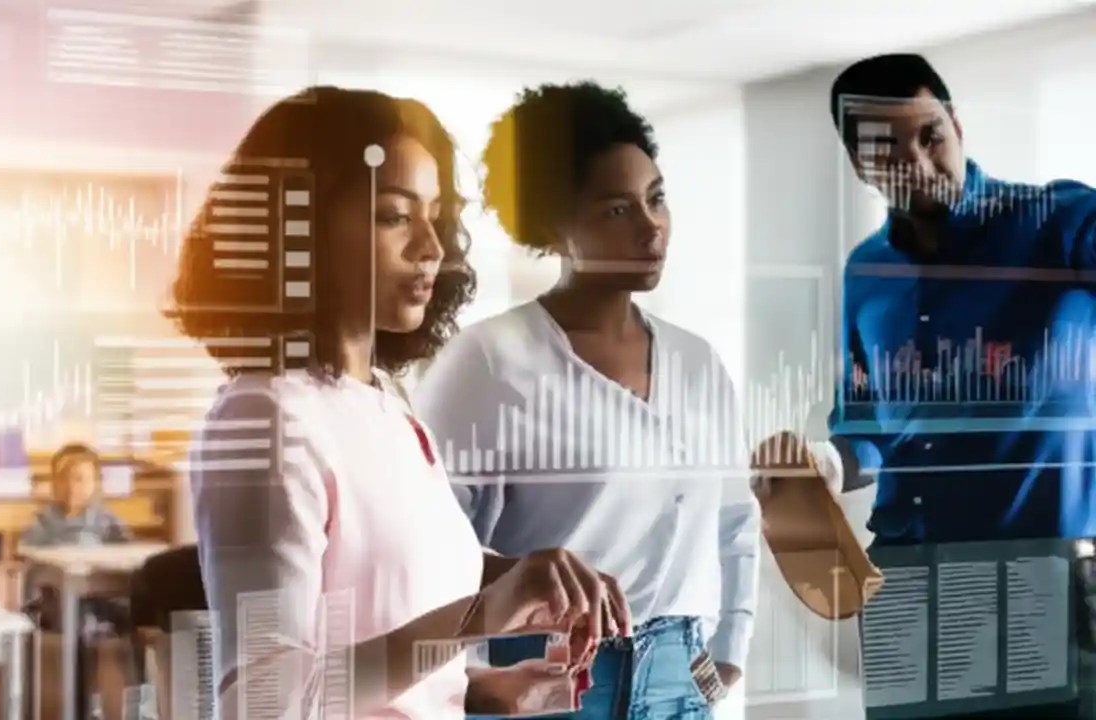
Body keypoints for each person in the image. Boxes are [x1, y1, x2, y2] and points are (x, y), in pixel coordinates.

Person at [168, 86, 629, 719]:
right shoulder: (265, 418)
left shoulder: (386, 403)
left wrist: (485, 680)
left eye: (434, 216)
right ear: (299, 224)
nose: (431, 248)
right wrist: (484, 613)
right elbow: (262, 701)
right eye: (394, 215)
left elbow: (390, 618)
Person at [413, 81, 759, 719]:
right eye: (618, 210)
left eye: (657, 199)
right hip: (549, 675)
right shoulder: (489, 360)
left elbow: (735, 522)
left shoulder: (697, 361)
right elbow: (434, 553)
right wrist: (476, 685)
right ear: (555, 225)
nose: (652, 226)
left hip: (680, 677)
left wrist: (731, 650)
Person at [816, 53, 1096, 719]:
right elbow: (868, 428)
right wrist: (824, 465)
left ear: (957, 125)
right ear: (860, 164)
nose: (917, 161)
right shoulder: (866, 271)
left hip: (1046, 581)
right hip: (906, 584)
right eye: (889, 149)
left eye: (930, 135)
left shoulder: (1059, 222)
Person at [20, 442, 132, 719]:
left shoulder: (107, 521)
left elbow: (127, 554)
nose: (72, 487)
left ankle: (133, 703)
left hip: (103, 597)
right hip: (57, 603)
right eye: (64, 479)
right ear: (53, 484)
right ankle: (81, 706)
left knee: (134, 616)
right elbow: (31, 559)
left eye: (81, 479)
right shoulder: (43, 522)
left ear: (96, 483)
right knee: (78, 626)